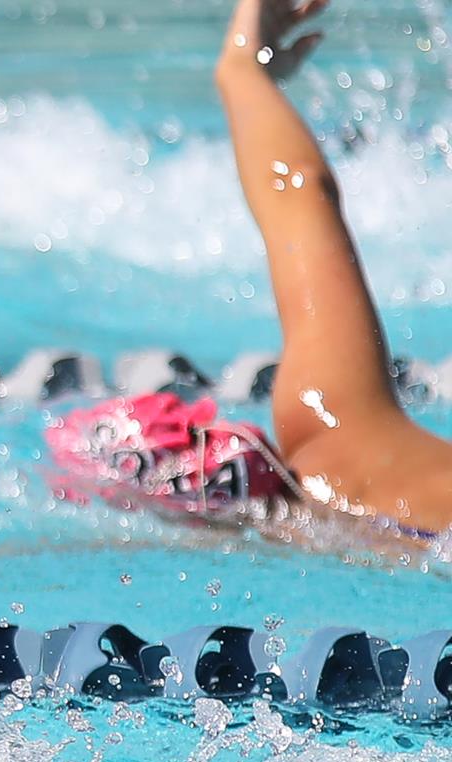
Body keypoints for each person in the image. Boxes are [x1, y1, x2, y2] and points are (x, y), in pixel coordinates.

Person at [49, 0, 452, 536]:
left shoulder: (342, 443)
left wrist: (243, 69)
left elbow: (301, 193)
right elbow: (300, 192)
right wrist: (243, 72)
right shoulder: (337, 423)